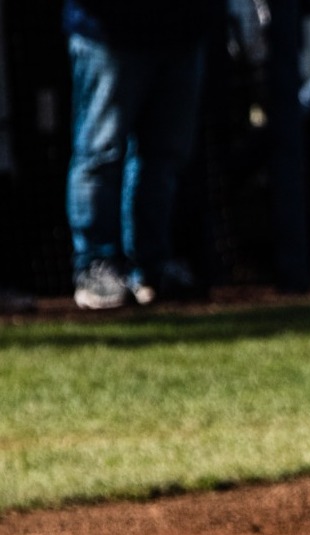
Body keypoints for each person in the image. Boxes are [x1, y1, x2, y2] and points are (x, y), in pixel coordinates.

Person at [63, 0, 218, 310]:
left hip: (182, 33)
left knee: (164, 159)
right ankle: (96, 265)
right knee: (100, 156)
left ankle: (152, 268)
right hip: (109, 34)